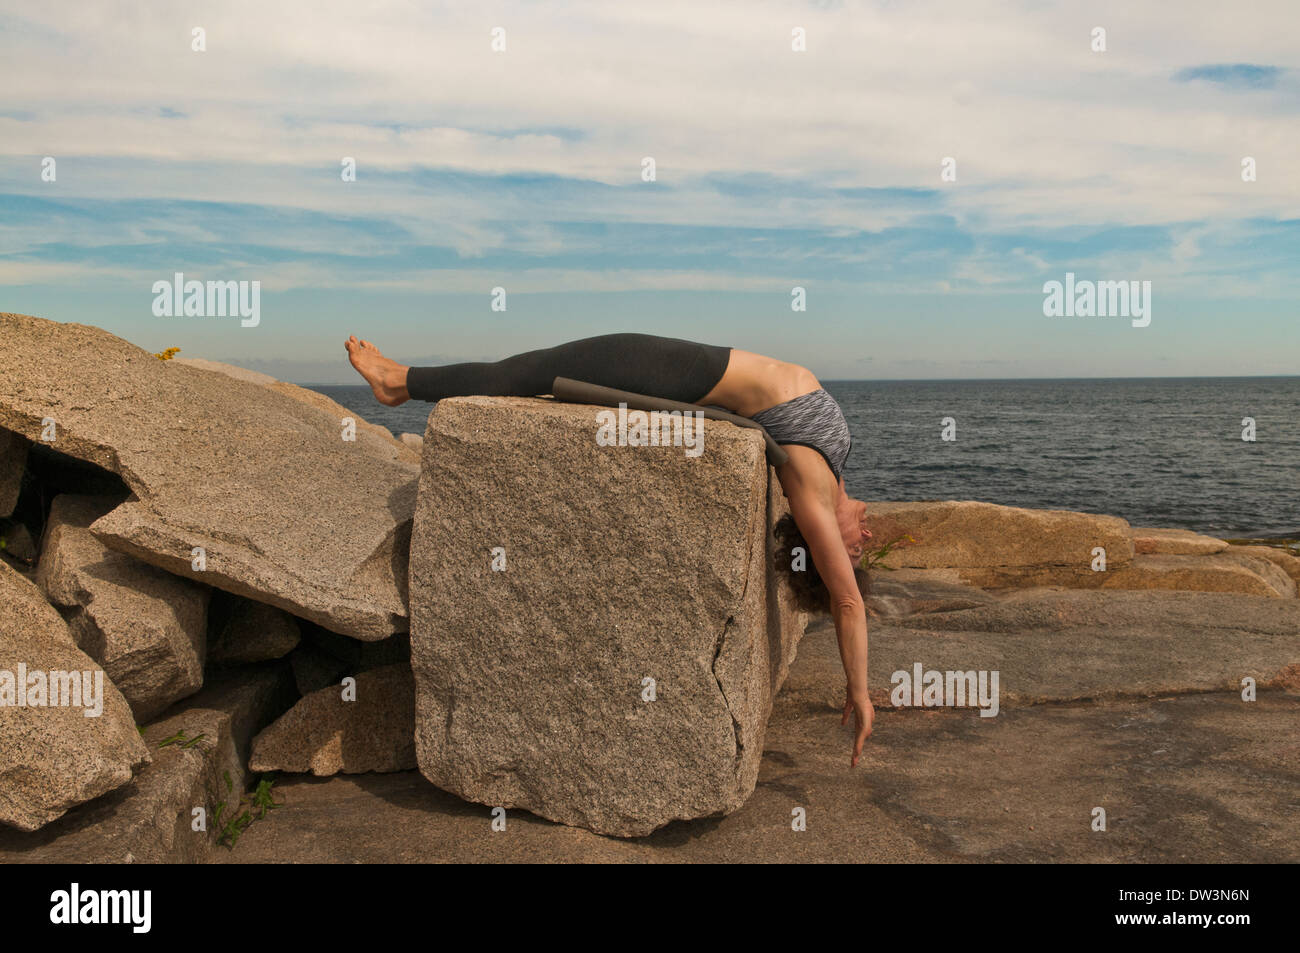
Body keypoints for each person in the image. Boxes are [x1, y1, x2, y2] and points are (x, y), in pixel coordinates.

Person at [346, 332, 875, 764]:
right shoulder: (835, 468)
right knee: (537, 364)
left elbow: (848, 603)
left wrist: (860, 691)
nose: (866, 538)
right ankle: (404, 382)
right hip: (698, 363)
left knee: (533, 370)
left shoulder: (811, 490)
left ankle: (399, 383)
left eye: (853, 552)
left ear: (820, 543)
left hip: (688, 371)